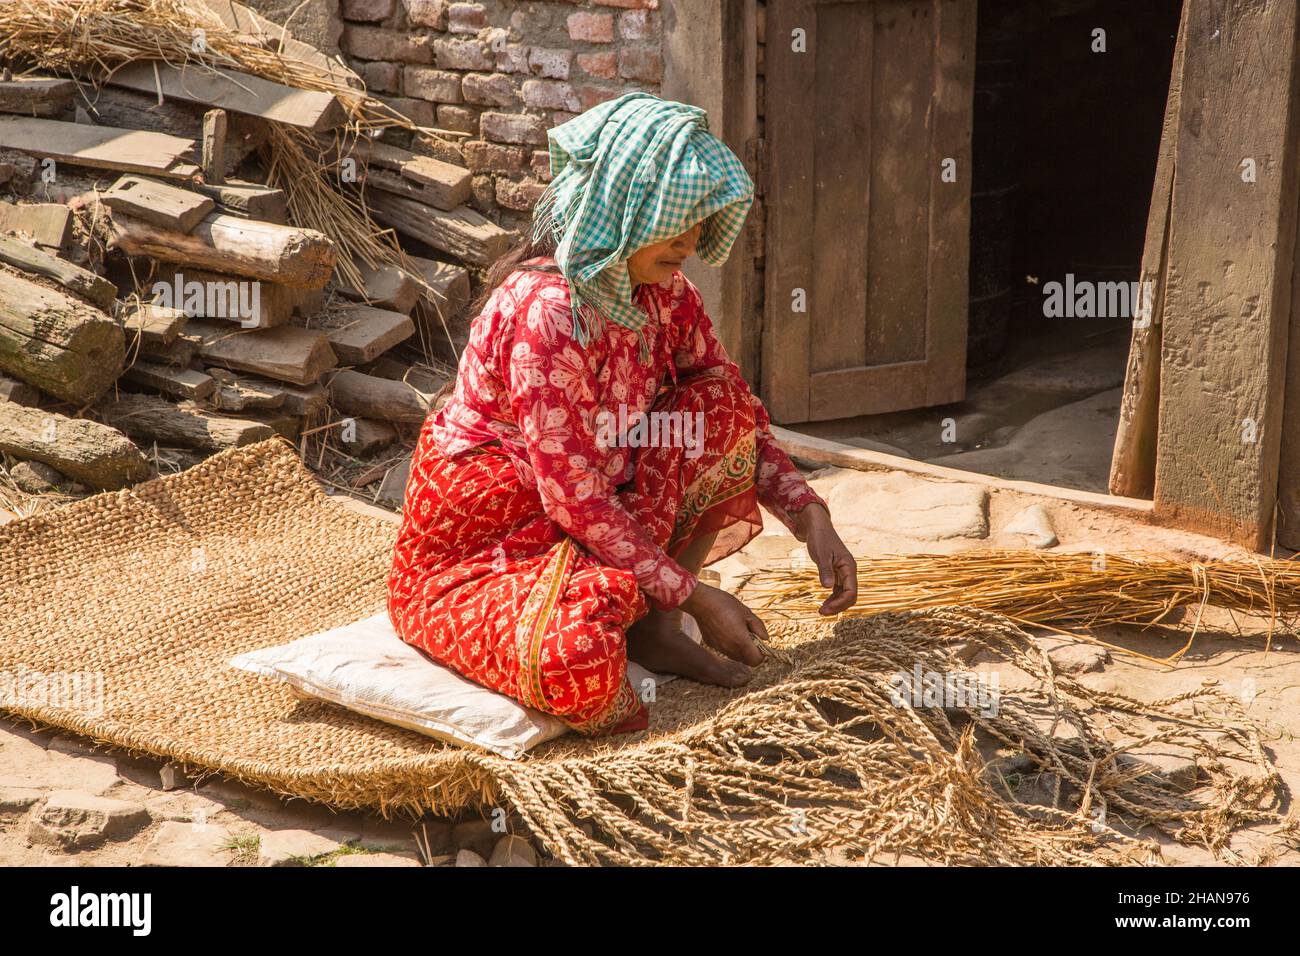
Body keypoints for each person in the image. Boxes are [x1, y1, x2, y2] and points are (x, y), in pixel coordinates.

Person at [387, 92, 857, 735]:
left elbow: (732, 415)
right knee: (574, 660)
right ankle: (647, 610)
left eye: (700, 222)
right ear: (624, 208)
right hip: (492, 531)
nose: (691, 243)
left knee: (716, 406)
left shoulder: (668, 295)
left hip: (598, 498)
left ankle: (658, 629)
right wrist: (697, 594)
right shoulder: (548, 310)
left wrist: (811, 517)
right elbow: (571, 493)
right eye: (676, 222)